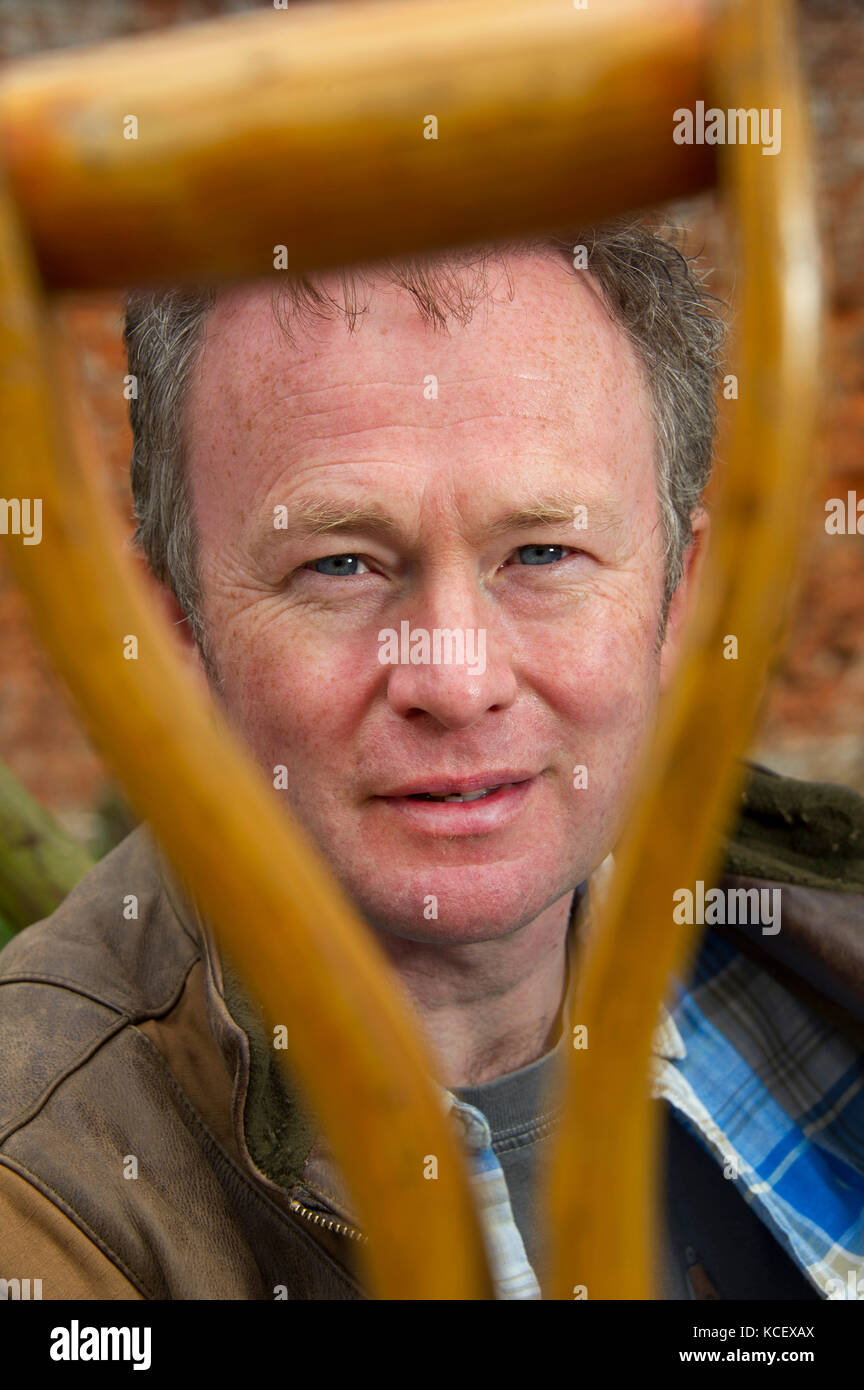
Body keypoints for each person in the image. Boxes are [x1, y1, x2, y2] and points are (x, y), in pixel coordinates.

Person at [1, 224, 862, 1300]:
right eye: (342, 564)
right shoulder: (41, 1198)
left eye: (543, 552)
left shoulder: (822, 913)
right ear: (177, 626)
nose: (455, 681)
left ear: (676, 595)